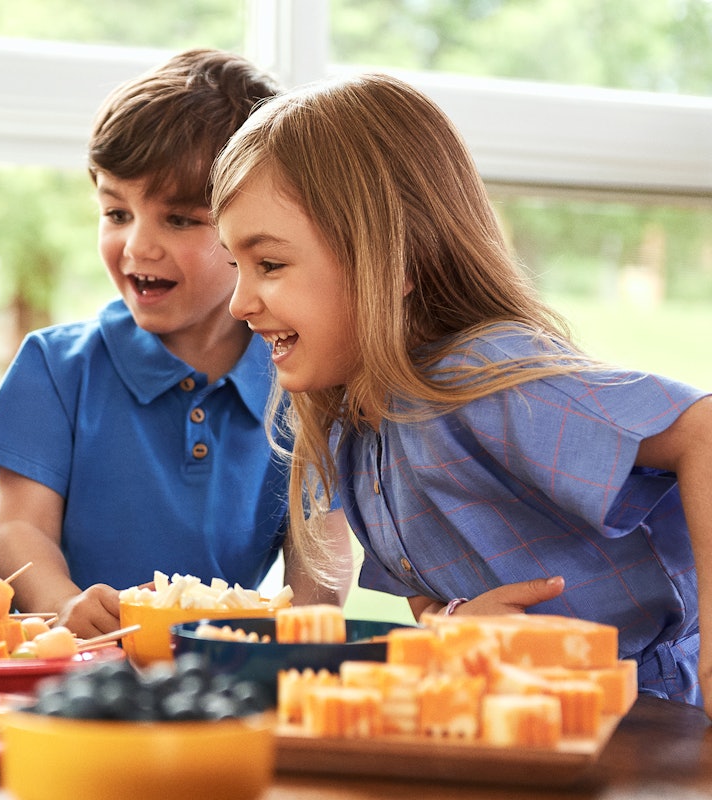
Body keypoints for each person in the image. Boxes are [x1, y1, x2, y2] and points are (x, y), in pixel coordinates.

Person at [213, 72, 712, 711]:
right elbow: (432, 595)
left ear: (395, 261)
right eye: (236, 266)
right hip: (529, 717)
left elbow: (701, 431)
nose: (239, 303)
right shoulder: (360, 433)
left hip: (650, 715)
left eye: (270, 265)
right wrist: (455, 623)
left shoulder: (483, 379)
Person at [0, 49, 351, 639]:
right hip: (83, 665)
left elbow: (319, 563)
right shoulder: (54, 367)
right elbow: (21, 532)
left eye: (178, 219)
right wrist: (66, 605)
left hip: (224, 675)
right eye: (116, 212)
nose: (136, 247)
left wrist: (290, 643)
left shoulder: (303, 384)